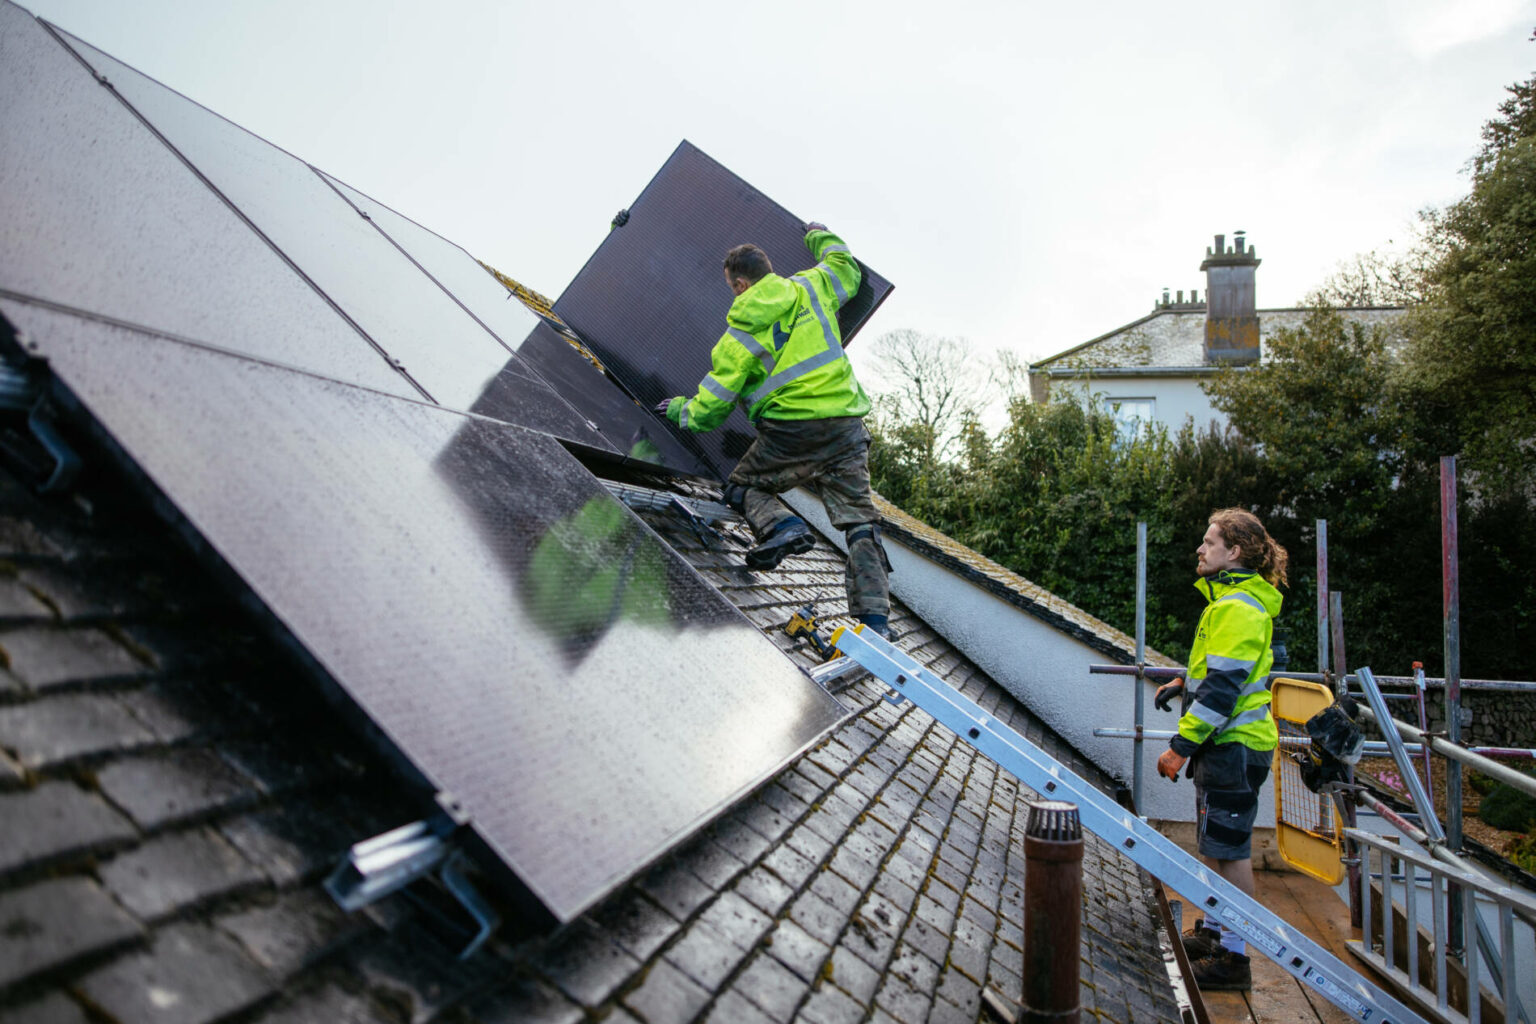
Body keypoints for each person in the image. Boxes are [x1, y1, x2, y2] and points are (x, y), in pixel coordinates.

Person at [656, 223, 891, 636]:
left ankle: (783, 527)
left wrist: (678, 409)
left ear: (741, 284)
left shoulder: (738, 338)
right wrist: (819, 234)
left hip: (791, 433)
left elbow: (709, 410)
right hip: (846, 426)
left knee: (744, 486)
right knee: (859, 523)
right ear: (769, 269)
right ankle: (875, 621)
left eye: (733, 286)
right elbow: (845, 266)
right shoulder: (812, 287)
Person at [1153, 508, 1288, 992]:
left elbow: (1224, 688)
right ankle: (1214, 933)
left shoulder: (1235, 607)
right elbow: (1218, 672)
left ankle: (1234, 958)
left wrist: (1180, 746)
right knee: (1216, 846)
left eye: (1209, 542)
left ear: (1233, 552)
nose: (1200, 548)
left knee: (1231, 855)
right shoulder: (1234, 601)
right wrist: (1181, 681)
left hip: (1232, 747)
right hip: (1230, 747)